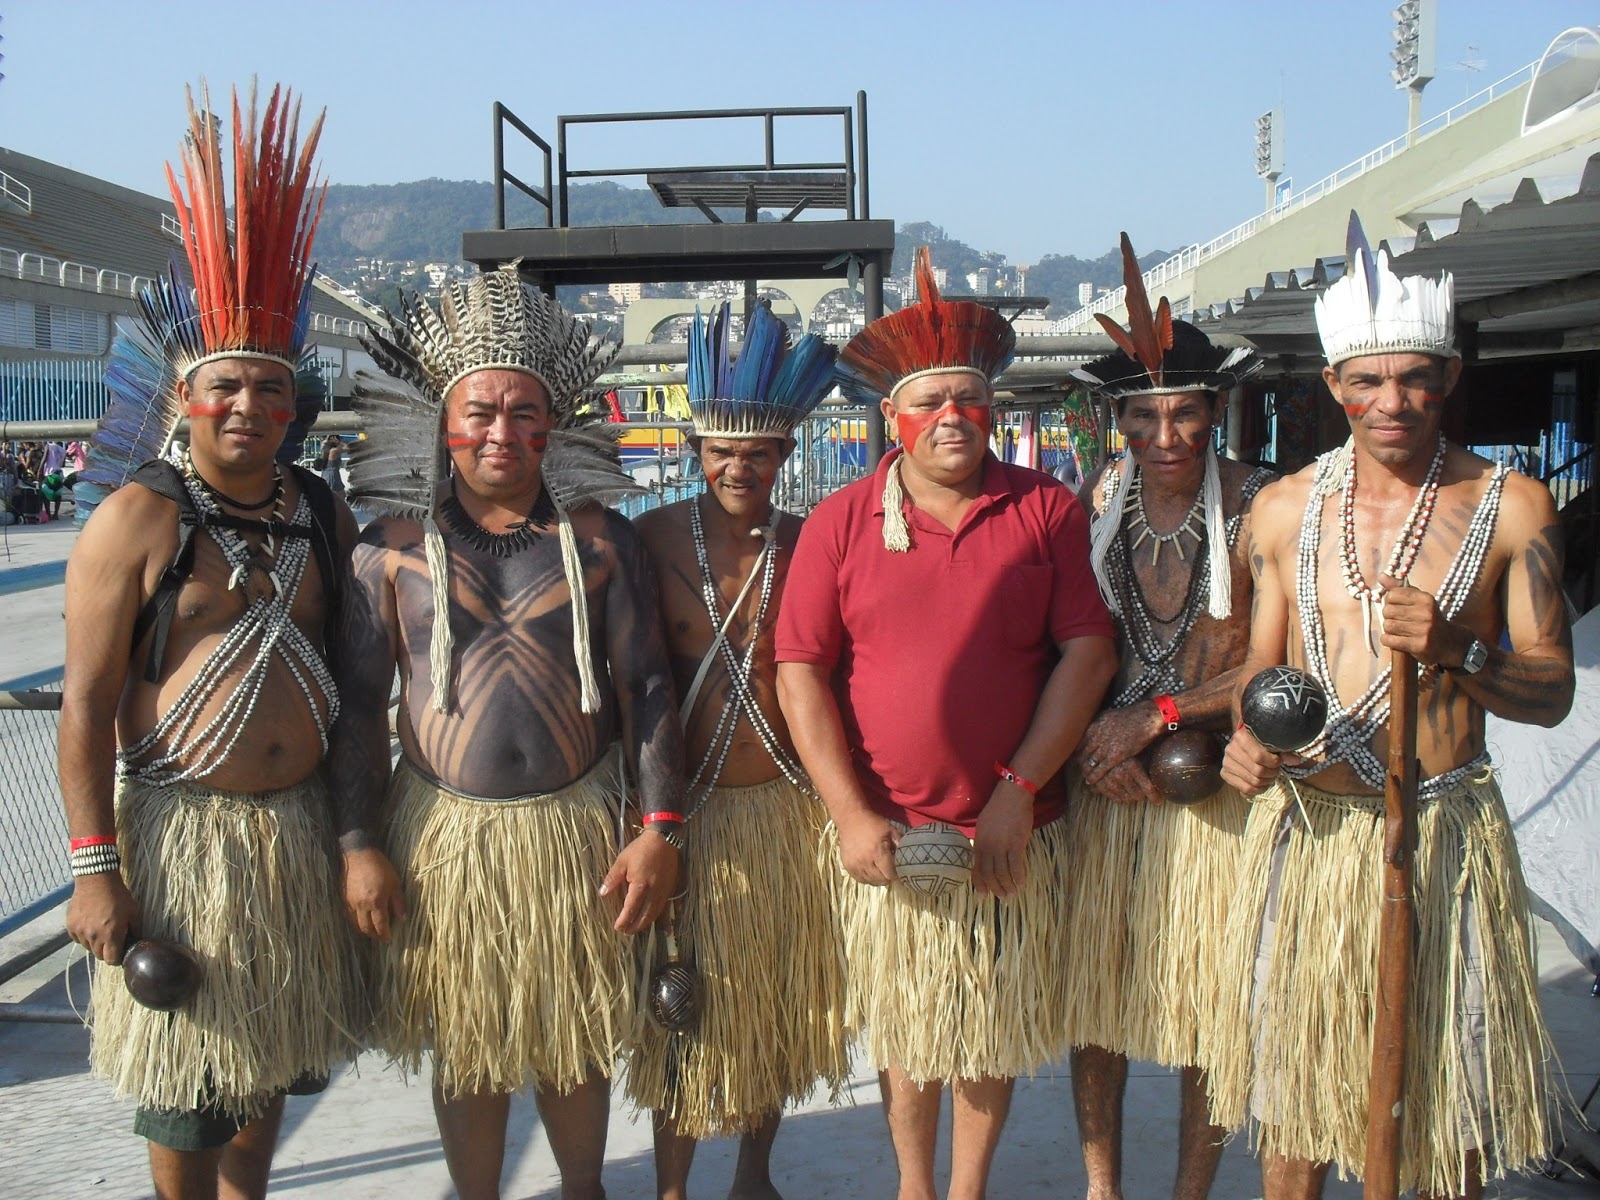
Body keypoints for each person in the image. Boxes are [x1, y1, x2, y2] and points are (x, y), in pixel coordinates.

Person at [1213, 218, 1572, 1200]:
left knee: (1441, 1098)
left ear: (1449, 377)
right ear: (1333, 387)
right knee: (1294, 1101)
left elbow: (1552, 693)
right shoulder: (1282, 510)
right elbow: (1258, 665)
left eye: (1414, 377)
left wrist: (1459, 649)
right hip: (1314, 831)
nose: (1391, 401)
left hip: (1445, 836)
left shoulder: (1512, 507)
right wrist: (1249, 734)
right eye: (1366, 381)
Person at [58, 83, 362, 1200]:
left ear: (296, 404)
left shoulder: (320, 513)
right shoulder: (135, 520)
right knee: (186, 1082)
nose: (247, 405)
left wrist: (353, 838)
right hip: (182, 846)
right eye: (225, 385)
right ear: (184, 396)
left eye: (269, 389)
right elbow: (87, 707)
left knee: (272, 1065)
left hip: (294, 839)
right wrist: (95, 873)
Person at [330, 261, 685, 1200]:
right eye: (479, 411)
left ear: (553, 427)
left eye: (523, 411)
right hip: (447, 837)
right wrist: (360, 842)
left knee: (572, 1035)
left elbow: (648, 685)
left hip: (577, 831)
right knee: (471, 1039)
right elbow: (359, 709)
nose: (501, 431)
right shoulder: (390, 551)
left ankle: (584, 1191)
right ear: (443, 425)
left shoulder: (602, 538)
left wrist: (658, 832)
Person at [776, 249, 1119, 1200]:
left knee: (989, 1025)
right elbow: (800, 670)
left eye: (969, 399)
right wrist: (848, 811)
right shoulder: (838, 522)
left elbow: (1088, 653)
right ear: (892, 417)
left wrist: (1017, 791)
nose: (952, 418)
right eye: (929, 402)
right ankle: (914, 1191)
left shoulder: (1044, 510)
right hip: (890, 825)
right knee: (909, 1024)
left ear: (993, 410)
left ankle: (965, 1191)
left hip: (1012, 829)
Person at [1058, 234, 1272, 1200]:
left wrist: (1162, 716)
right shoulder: (1095, 503)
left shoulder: (1262, 510)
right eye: (1143, 417)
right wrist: (1090, 746)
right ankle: (1102, 1188)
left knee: (1209, 1008)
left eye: (1185, 413)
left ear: (1216, 412)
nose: (1166, 436)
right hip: (1107, 787)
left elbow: (1283, 666)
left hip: (1216, 788)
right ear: (1120, 424)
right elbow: (1058, 649)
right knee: (1097, 1003)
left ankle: (1191, 1191)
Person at [628, 301, 848, 1200]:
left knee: (768, 1008)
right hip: (688, 814)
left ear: (785, 455)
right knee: (676, 1010)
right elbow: (627, 685)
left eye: (757, 453)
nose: (738, 467)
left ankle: (753, 1179)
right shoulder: (647, 542)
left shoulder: (814, 544)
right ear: (695, 452)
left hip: (785, 815)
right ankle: (673, 1189)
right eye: (721, 451)